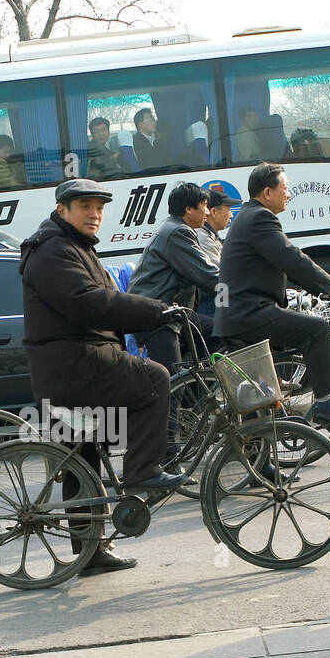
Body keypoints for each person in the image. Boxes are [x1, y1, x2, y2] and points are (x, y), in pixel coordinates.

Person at [21, 178, 185, 575]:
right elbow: (91, 303)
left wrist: (154, 314)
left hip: (74, 363)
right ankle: (142, 470)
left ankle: (89, 553)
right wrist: (153, 309)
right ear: (63, 210)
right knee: (156, 379)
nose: (95, 213)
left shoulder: (72, 245)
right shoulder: (54, 251)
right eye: (85, 206)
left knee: (83, 455)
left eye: (99, 207)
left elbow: (105, 302)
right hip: (75, 366)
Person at [215, 162, 330, 428]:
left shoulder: (249, 217)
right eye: (286, 188)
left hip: (238, 313)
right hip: (247, 314)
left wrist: (305, 289)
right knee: (316, 330)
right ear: (268, 192)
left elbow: (280, 264)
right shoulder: (259, 218)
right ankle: (326, 404)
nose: (290, 194)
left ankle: (259, 460)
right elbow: (291, 257)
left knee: (257, 405)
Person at [128, 182, 220, 462]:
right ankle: (168, 456)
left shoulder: (178, 229)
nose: (207, 211)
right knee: (171, 383)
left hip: (173, 312)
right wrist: (245, 291)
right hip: (157, 316)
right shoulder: (178, 232)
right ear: (188, 209)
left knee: (217, 332)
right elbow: (208, 276)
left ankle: (198, 394)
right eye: (203, 206)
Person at [195, 186, 238, 319]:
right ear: (213, 212)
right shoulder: (202, 237)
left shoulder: (210, 235)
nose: (231, 215)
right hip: (210, 306)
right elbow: (222, 273)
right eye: (229, 209)